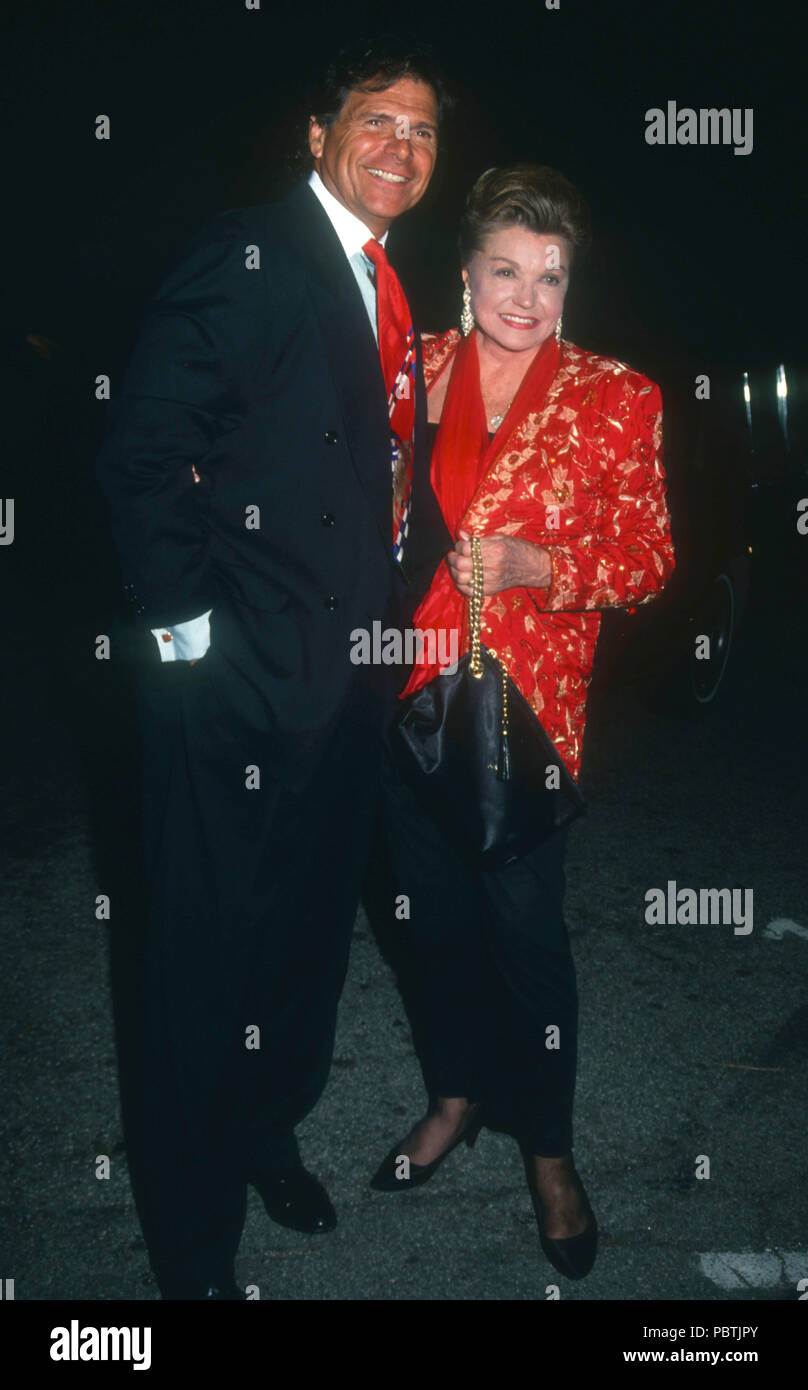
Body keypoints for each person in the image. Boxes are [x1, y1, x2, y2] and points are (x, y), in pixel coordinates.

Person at [95, 38, 448, 1300]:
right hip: (238, 695)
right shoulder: (251, 253)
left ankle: (266, 1136)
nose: (400, 146)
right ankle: (191, 1247)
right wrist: (191, 644)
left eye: (421, 131)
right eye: (375, 120)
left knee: (303, 951)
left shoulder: (382, 286)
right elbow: (141, 451)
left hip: (344, 691)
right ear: (319, 133)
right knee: (203, 967)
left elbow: (373, 484)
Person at [371, 164, 676, 1280]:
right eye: (505, 269)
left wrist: (538, 563)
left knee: (528, 942)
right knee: (428, 925)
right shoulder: (413, 371)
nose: (525, 295)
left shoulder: (614, 395)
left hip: (520, 719)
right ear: (464, 273)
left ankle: (549, 1152)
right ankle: (453, 1097)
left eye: (549, 276)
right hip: (403, 693)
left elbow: (648, 562)